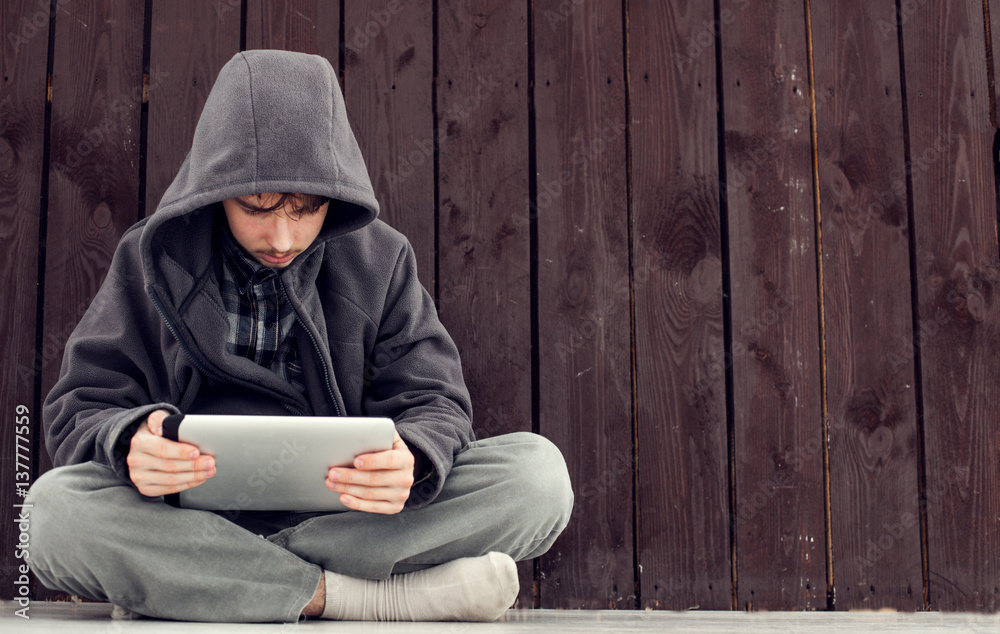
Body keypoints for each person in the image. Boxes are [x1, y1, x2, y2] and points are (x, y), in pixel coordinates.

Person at [26, 49, 573, 623]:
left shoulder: (380, 259)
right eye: (257, 207)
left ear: (333, 198)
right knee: (49, 513)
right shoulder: (148, 258)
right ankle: (355, 598)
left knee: (537, 478)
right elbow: (80, 406)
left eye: (306, 210)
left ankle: (207, 582)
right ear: (217, 187)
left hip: (348, 523)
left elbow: (436, 401)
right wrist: (129, 439)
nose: (283, 237)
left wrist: (413, 458)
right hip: (187, 522)